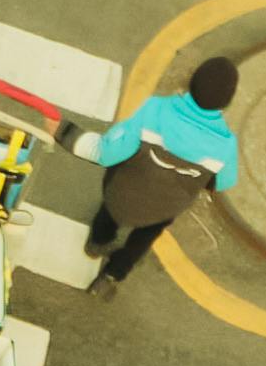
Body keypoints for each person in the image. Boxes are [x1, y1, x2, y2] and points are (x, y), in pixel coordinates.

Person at [68, 59, 242, 291]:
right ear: (227, 101)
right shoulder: (225, 146)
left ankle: (97, 243)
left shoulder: (155, 109)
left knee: (108, 213)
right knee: (145, 237)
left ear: (192, 83)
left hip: (121, 192)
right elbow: (223, 182)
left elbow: (108, 153)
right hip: (164, 207)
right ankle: (113, 274)